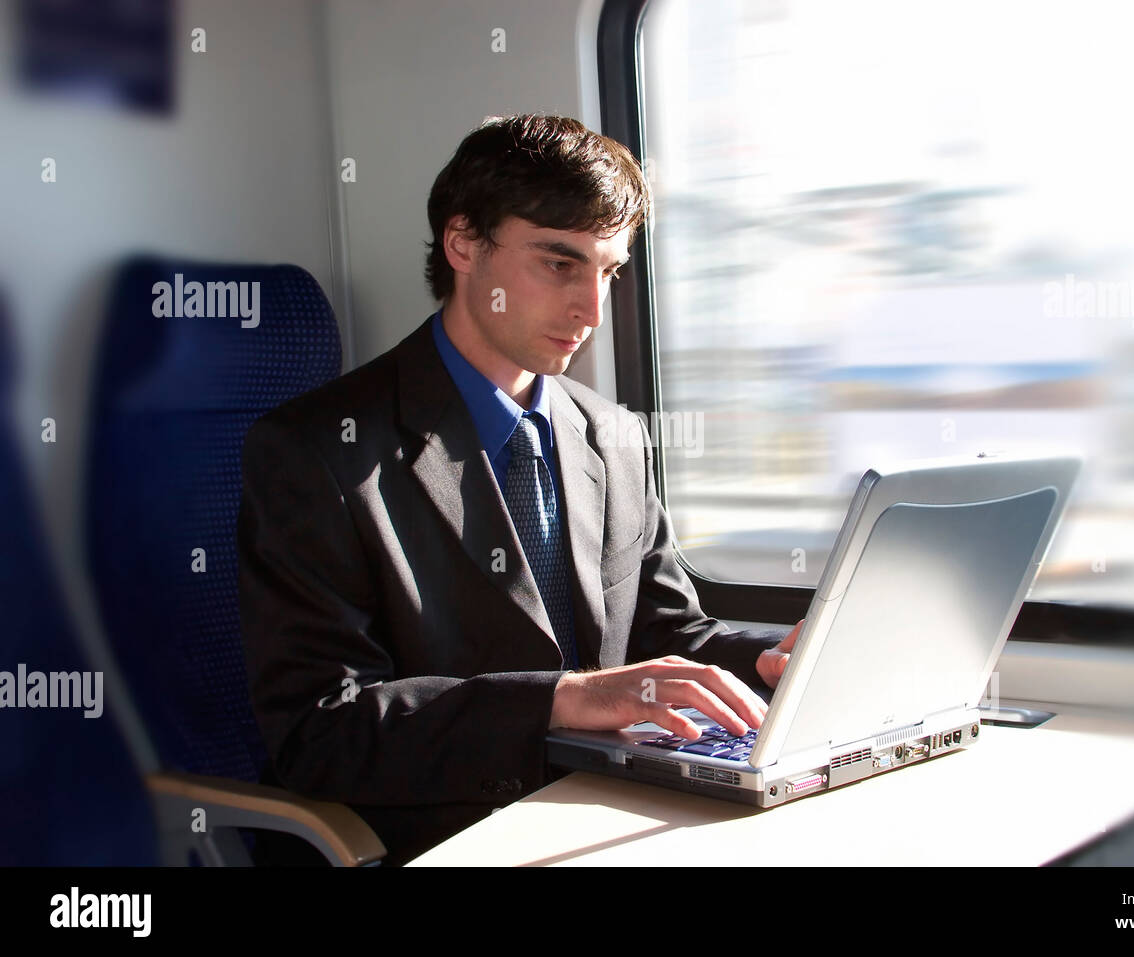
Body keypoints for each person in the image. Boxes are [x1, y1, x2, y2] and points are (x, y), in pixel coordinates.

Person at [238, 114, 802, 866]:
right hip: (453, 831)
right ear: (463, 243)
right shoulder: (319, 452)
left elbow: (667, 637)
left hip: (616, 807)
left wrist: (773, 659)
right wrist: (562, 700)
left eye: (609, 271)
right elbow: (322, 732)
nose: (591, 311)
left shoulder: (613, 437)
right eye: (560, 263)